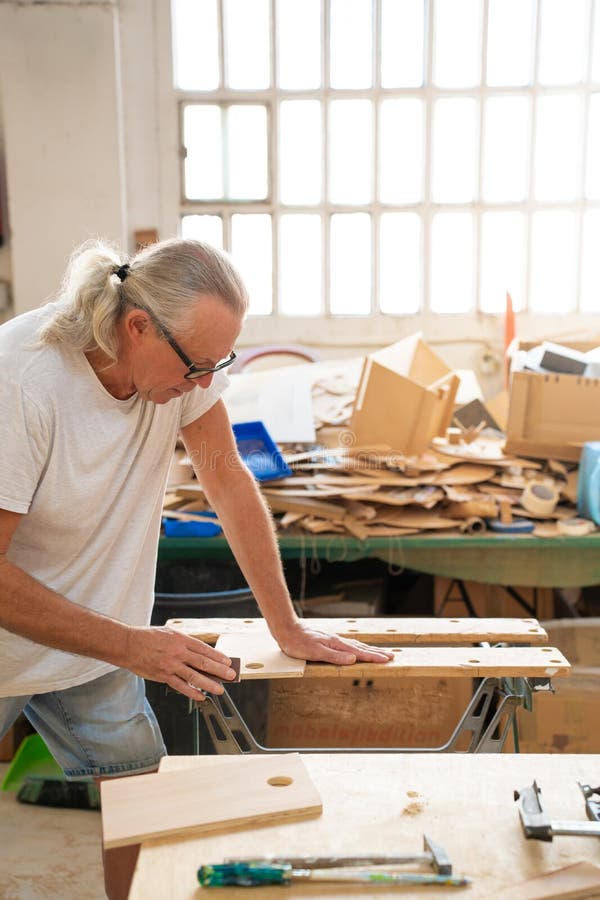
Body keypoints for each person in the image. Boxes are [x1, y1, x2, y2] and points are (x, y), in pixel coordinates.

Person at [0, 237, 393, 898]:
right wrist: (131, 645)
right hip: (28, 627)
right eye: (197, 366)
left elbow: (228, 481)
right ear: (137, 326)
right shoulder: (22, 381)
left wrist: (286, 626)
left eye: (219, 365)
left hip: (95, 641)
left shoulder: (178, 372)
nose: (206, 383)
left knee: (143, 810)